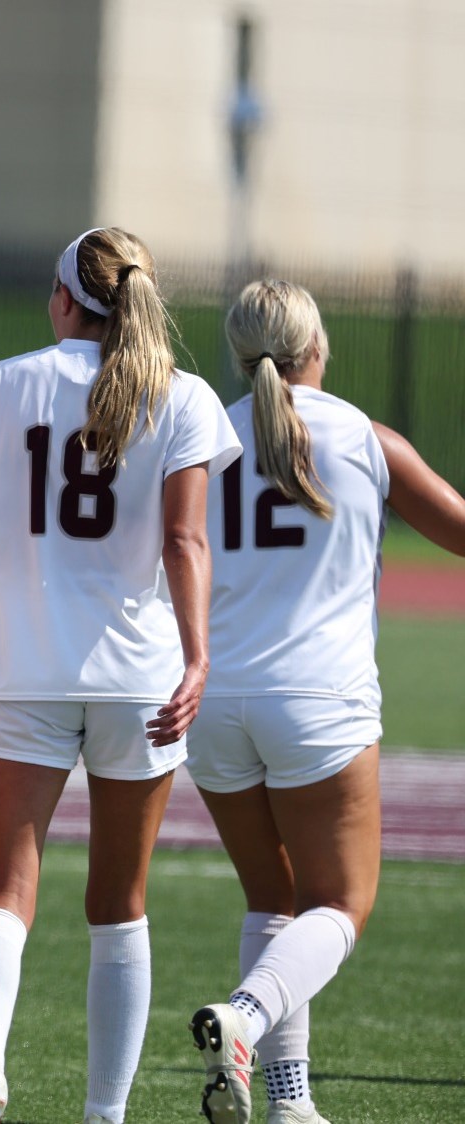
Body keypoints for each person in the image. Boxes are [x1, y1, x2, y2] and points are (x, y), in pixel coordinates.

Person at [0, 227, 240, 1124]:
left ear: (66, 299)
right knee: (119, 906)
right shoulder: (183, 395)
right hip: (138, 674)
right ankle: (104, 1115)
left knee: (6, 894)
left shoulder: (1, 384)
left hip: (21, 664)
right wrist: (198, 656)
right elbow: (187, 541)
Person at [185, 280, 465, 1124]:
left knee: (274, 902)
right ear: (317, 347)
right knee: (339, 905)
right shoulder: (364, 437)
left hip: (214, 705)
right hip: (320, 704)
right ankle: (247, 1016)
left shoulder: (202, 440)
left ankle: (290, 1102)